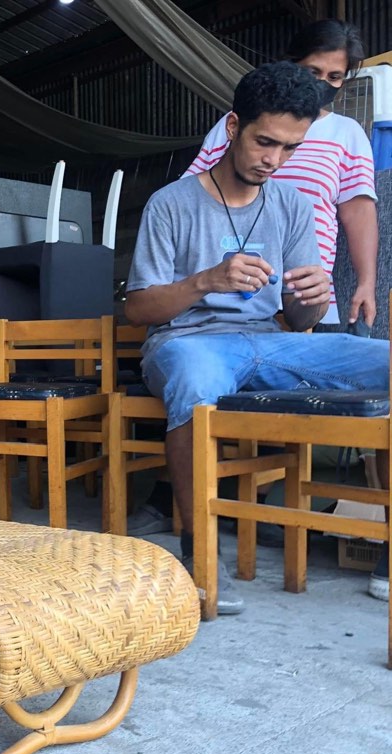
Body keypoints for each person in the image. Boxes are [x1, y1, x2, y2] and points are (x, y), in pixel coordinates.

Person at [125, 61, 390, 614]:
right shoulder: (171, 203)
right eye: (264, 141)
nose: (274, 160)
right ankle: (201, 558)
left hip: (273, 340)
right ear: (232, 127)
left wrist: (314, 295)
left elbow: (296, 321)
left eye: (290, 148)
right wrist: (208, 280)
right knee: (195, 383)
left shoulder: (292, 205)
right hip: (187, 341)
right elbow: (139, 310)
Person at [188, 19, 378, 328]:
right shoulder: (241, 124)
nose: (321, 83)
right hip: (229, 297)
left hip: (305, 300)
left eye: (335, 77)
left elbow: (359, 214)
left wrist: (366, 283)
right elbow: (191, 194)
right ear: (292, 64)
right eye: (313, 71)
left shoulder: (346, 133)